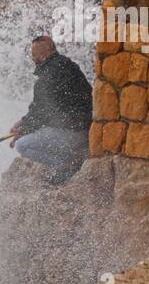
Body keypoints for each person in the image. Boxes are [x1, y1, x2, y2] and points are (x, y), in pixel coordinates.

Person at [9, 35, 92, 185]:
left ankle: (65, 165)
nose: (32, 59)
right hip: (86, 129)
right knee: (34, 131)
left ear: (43, 55)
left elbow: (42, 112)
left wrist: (23, 131)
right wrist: (22, 122)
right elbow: (41, 108)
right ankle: (70, 160)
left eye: (33, 55)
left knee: (22, 145)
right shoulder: (69, 65)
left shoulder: (47, 78)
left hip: (74, 135)